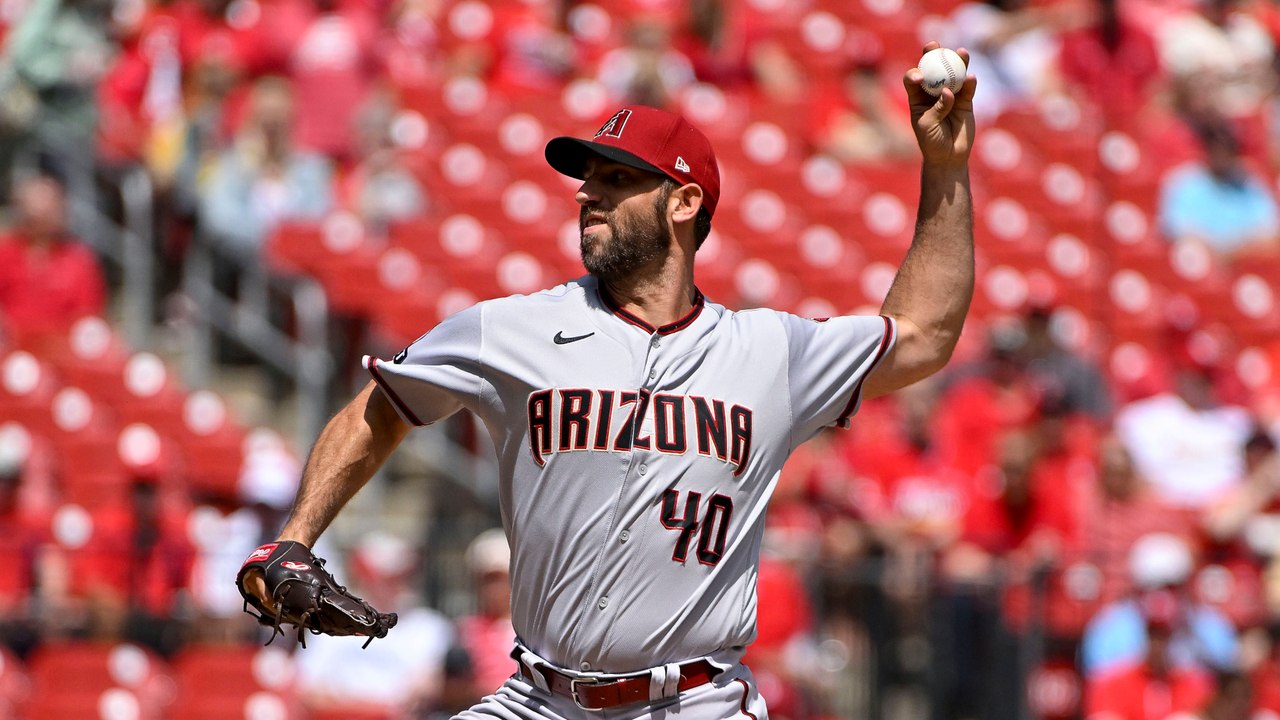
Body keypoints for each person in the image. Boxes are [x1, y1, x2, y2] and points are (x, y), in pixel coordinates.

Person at [241, 41, 977, 719]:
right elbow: (382, 408)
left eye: (618, 179)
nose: (588, 194)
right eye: (587, 177)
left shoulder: (768, 351)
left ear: (685, 203)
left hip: (697, 701)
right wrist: (293, 538)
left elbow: (924, 335)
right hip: (539, 697)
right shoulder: (512, 330)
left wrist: (944, 168)